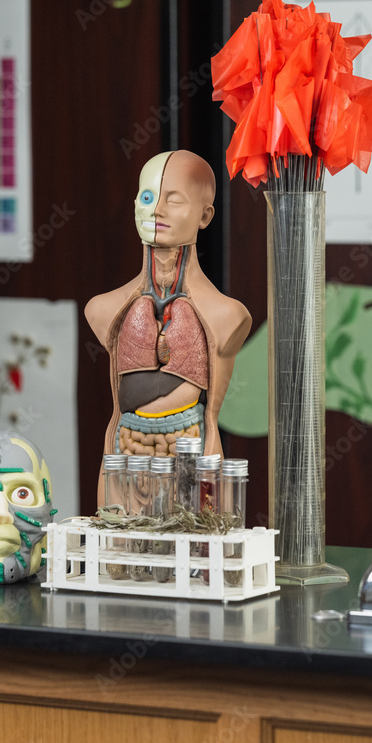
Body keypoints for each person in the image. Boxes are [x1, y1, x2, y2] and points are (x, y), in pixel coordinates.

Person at [85, 150, 251, 504]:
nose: (156, 210)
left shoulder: (227, 315)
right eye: (147, 198)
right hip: (127, 459)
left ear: (205, 216)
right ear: (135, 205)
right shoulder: (103, 309)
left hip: (188, 460)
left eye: (173, 201)